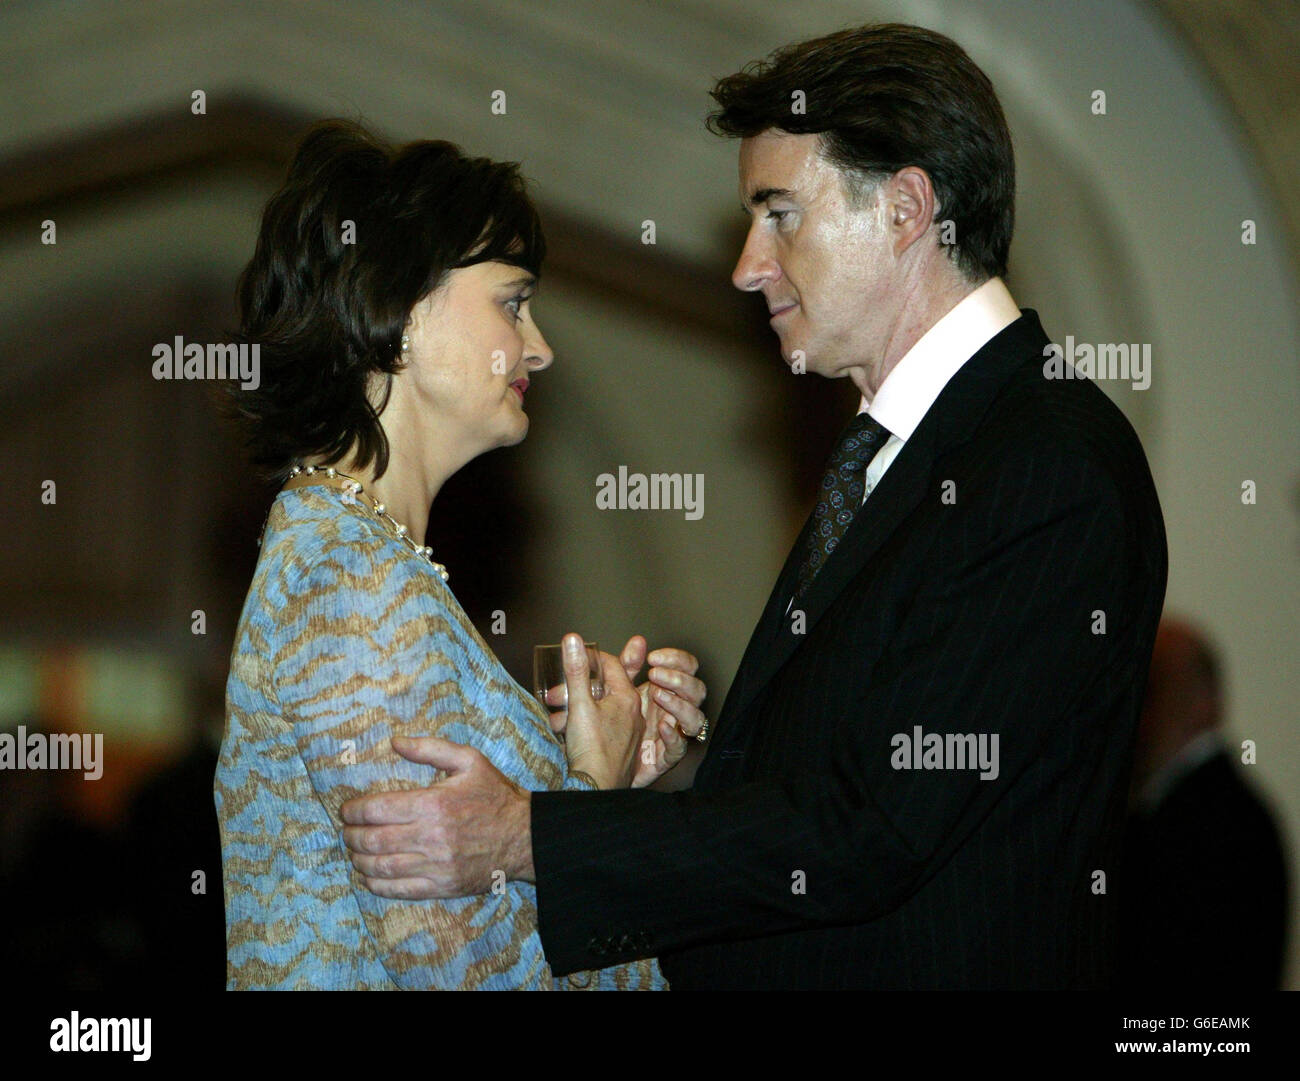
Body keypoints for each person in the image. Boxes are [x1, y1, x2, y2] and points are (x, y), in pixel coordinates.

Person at [342, 24, 1169, 989]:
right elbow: (824, 802)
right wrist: (655, 770)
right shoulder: (900, 452)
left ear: (906, 209)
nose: (745, 265)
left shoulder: (1044, 462)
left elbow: (874, 825)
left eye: (780, 215)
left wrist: (531, 836)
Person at [213, 119, 707, 990]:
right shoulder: (349, 581)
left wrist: (607, 767)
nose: (540, 346)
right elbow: (476, 977)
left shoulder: (369, 560)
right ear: (399, 313)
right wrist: (593, 788)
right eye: (513, 302)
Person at [1118, 619, 1289, 989]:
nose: (1138, 713)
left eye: (1153, 689)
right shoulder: (1235, 812)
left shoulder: (1207, 821)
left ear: (1203, 702)